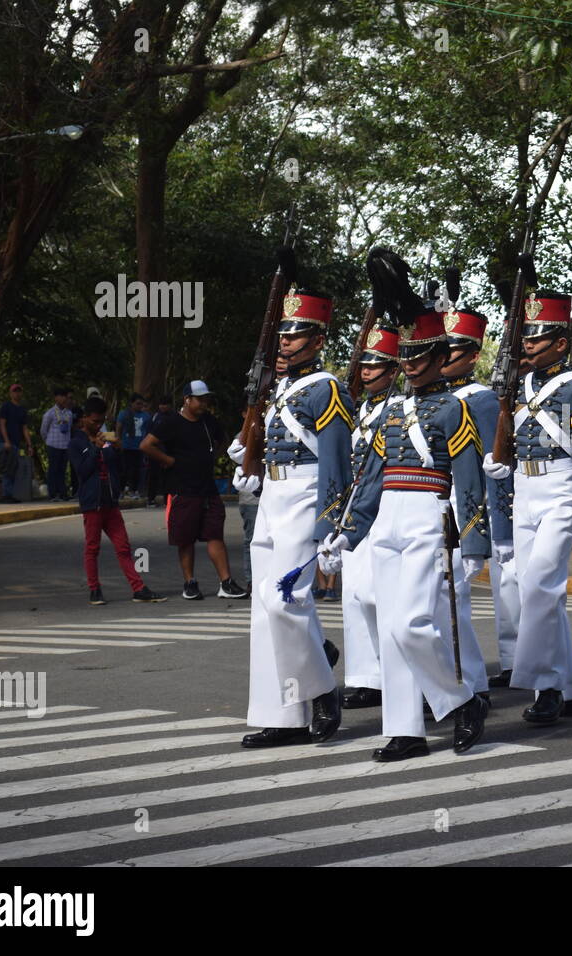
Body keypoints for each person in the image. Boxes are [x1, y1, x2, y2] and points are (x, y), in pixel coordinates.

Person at [317, 309, 489, 760]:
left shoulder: (455, 408)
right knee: (391, 629)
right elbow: (371, 479)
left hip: (428, 515)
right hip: (387, 517)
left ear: (440, 356)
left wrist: (472, 540)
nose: (410, 363)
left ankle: (463, 699)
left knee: (411, 625)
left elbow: (469, 479)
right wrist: (345, 534)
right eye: (406, 355)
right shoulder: (392, 411)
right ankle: (404, 730)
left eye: (421, 355)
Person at [482, 289, 572, 724]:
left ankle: (545, 686)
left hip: (561, 489)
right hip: (524, 491)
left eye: (539, 339)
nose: (529, 345)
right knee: (531, 591)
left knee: (539, 585)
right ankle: (570, 688)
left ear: (561, 343)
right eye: (527, 339)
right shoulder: (514, 387)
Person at [230, 288, 353, 749]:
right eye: (283, 333)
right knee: (265, 611)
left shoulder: (328, 389)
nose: (286, 341)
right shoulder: (278, 389)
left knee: (285, 599)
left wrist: (329, 523)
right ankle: (282, 715)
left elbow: (337, 464)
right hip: (273, 495)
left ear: (318, 340)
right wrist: (250, 464)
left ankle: (321, 689)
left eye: (297, 333)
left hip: (305, 495)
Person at [440, 306, 522, 691]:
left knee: (506, 587)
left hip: (473, 505)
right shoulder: (431, 398)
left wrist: (500, 528)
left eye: (452, 350)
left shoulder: (484, 400)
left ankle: (513, 661)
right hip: (438, 504)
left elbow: (498, 468)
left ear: (474, 355)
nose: (442, 358)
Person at [338, 323, 400, 710]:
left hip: (384, 507)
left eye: (376, 365)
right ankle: (366, 676)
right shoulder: (363, 408)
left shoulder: (396, 409)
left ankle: (395, 674)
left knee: (380, 596)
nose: (366, 370)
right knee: (355, 595)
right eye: (364, 363)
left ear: (393, 371)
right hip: (355, 507)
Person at [141, 380, 247, 601]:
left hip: (207, 488)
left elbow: (223, 441)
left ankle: (226, 582)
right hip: (182, 488)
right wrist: (169, 461)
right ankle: (189, 582)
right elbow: (146, 445)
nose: (203, 404)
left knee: (215, 534)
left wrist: (212, 457)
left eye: (206, 399)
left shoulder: (209, 422)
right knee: (186, 538)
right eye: (199, 399)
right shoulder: (171, 422)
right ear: (187, 399)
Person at [71, 396, 166, 605]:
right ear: (84, 419)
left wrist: (117, 449)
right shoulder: (77, 442)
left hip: (110, 502)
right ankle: (94, 589)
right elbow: (83, 471)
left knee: (123, 547)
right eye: (94, 421)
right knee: (92, 548)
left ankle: (138, 588)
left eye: (101, 421)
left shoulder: (104, 439)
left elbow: (118, 470)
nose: (98, 425)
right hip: (92, 503)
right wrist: (95, 448)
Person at [0, 383, 33, 503]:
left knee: (15, 469)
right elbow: (2, 424)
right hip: (6, 443)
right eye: (14, 391)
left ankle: (12, 494)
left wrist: (29, 445)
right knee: (7, 469)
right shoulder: (6, 406)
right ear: (10, 393)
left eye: (19, 391)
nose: (17, 393)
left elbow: (24, 428)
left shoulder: (22, 410)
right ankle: (6, 494)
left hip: (17, 444)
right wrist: (6, 441)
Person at [40, 387, 75, 501]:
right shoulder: (50, 413)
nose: (64, 398)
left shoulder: (69, 413)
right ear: (56, 398)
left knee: (62, 470)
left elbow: (69, 429)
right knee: (53, 470)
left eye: (65, 396)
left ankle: (63, 493)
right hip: (53, 444)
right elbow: (43, 430)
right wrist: (48, 440)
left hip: (65, 445)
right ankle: (53, 494)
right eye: (61, 395)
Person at [116, 394, 151, 498]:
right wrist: (119, 441)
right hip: (126, 446)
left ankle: (134, 490)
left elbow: (148, 431)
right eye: (137, 403)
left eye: (141, 404)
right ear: (132, 403)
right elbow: (118, 427)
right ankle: (121, 490)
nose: (140, 406)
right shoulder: (124, 414)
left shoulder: (146, 416)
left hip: (139, 446)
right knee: (124, 469)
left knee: (136, 470)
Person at [146, 395, 174, 507]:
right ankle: (150, 499)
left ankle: (167, 499)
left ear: (170, 405)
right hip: (155, 450)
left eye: (165, 404)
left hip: (168, 451)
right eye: (161, 404)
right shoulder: (155, 416)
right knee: (153, 475)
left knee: (167, 477)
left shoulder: (174, 417)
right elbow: (149, 432)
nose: (162, 407)